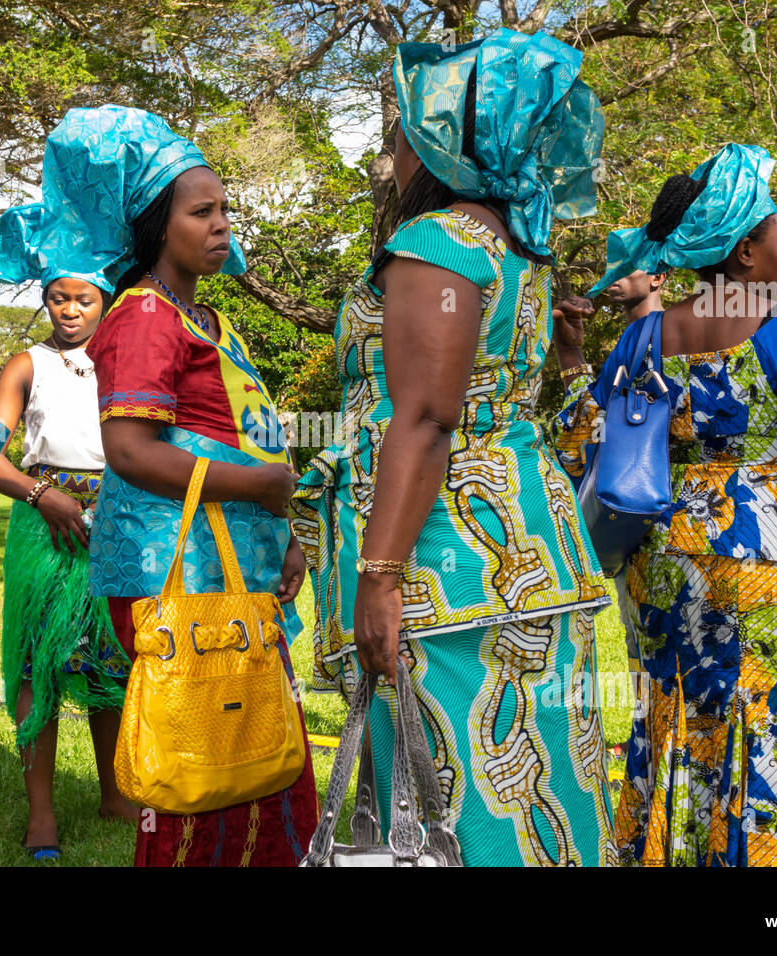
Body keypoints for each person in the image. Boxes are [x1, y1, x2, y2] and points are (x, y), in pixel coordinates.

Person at [291, 29, 616, 866]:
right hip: (530, 560)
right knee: (547, 791)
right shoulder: (517, 250)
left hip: (449, 574)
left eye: (403, 127)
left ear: (443, 139)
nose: (393, 146)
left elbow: (426, 418)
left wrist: (379, 576)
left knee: (460, 800)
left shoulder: (437, 243)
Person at [552, 143, 777, 867]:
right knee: (772, 725)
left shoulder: (645, 334)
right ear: (746, 253)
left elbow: (582, 439)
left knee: (677, 718)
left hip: (663, 561)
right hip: (767, 562)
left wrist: (569, 359)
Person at [24, 106, 317, 867]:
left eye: (225, 209)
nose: (222, 225)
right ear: (158, 227)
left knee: (255, 752)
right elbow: (129, 451)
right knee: (198, 766)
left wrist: (285, 537)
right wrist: (262, 488)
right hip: (175, 576)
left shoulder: (208, 318)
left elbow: (240, 435)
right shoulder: (145, 318)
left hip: (232, 577)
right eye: (202, 211)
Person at [0, 190, 138, 861]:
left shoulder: (131, 364)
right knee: (39, 666)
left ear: (107, 299)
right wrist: (41, 494)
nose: (69, 312)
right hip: (46, 526)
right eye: (57, 299)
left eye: (83, 300)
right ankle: (41, 812)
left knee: (114, 661)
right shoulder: (26, 364)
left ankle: (115, 790)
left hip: (117, 524)